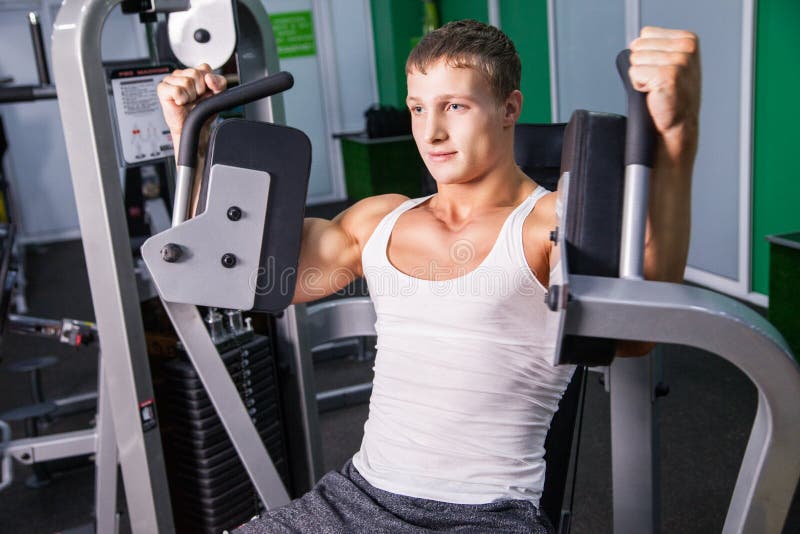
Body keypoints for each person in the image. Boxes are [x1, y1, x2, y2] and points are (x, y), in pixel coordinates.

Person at [157, 19, 700, 534]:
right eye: (418, 109)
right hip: (356, 497)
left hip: (487, 515)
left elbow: (633, 331)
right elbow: (248, 270)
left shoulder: (550, 221)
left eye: (455, 106)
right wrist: (196, 139)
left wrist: (677, 137)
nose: (432, 132)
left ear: (509, 108)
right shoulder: (379, 219)